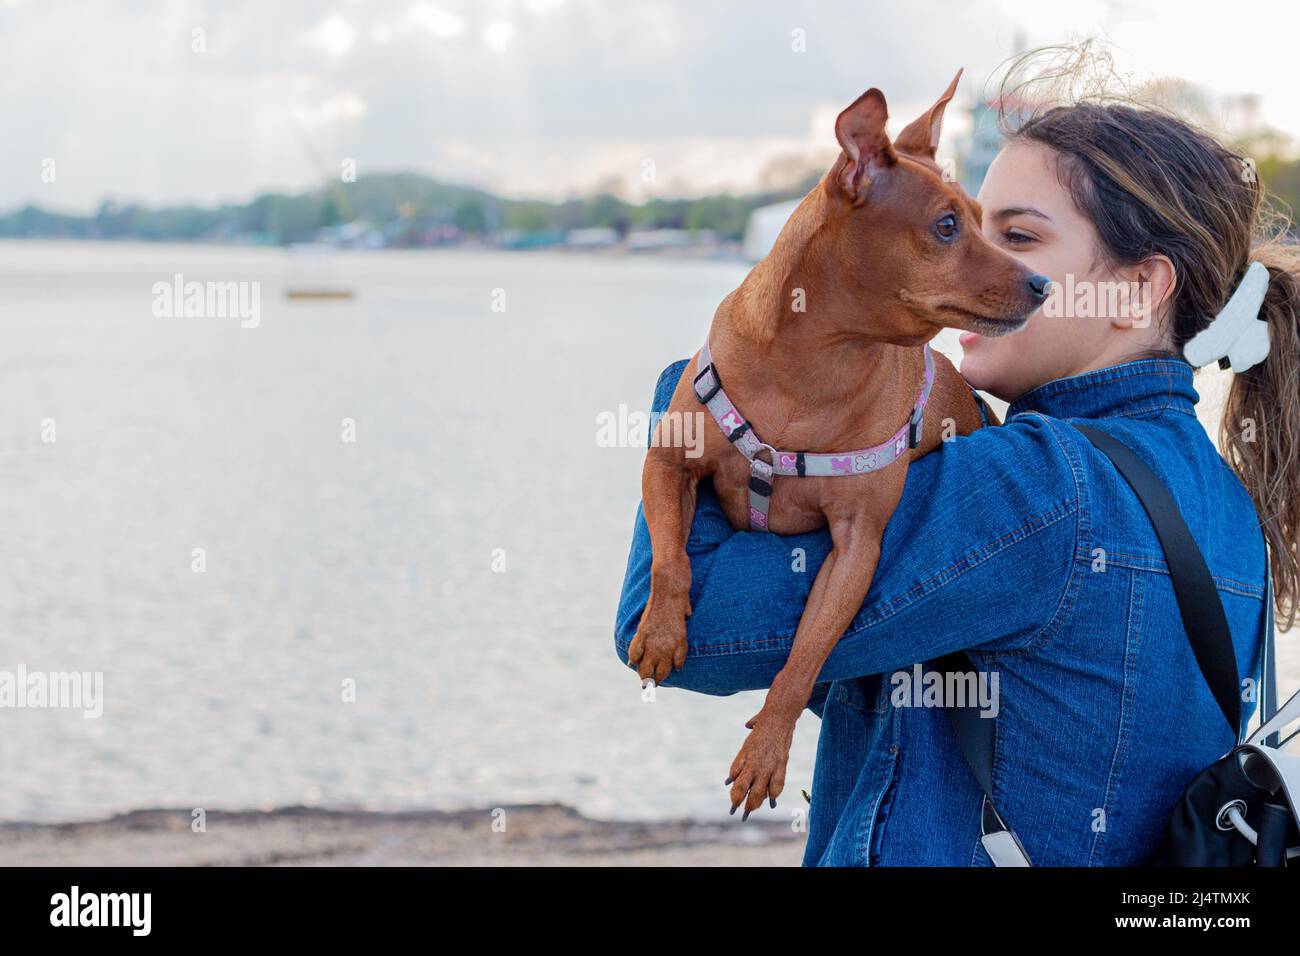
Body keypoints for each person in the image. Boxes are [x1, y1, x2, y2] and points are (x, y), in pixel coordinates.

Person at [614, 62, 1300, 865]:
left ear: (1137, 290)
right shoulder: (1225, 503)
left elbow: (674, 635)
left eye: (1017, 237)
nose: (985, 263)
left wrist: (724, 377)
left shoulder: (1034, 487)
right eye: (963, 230)